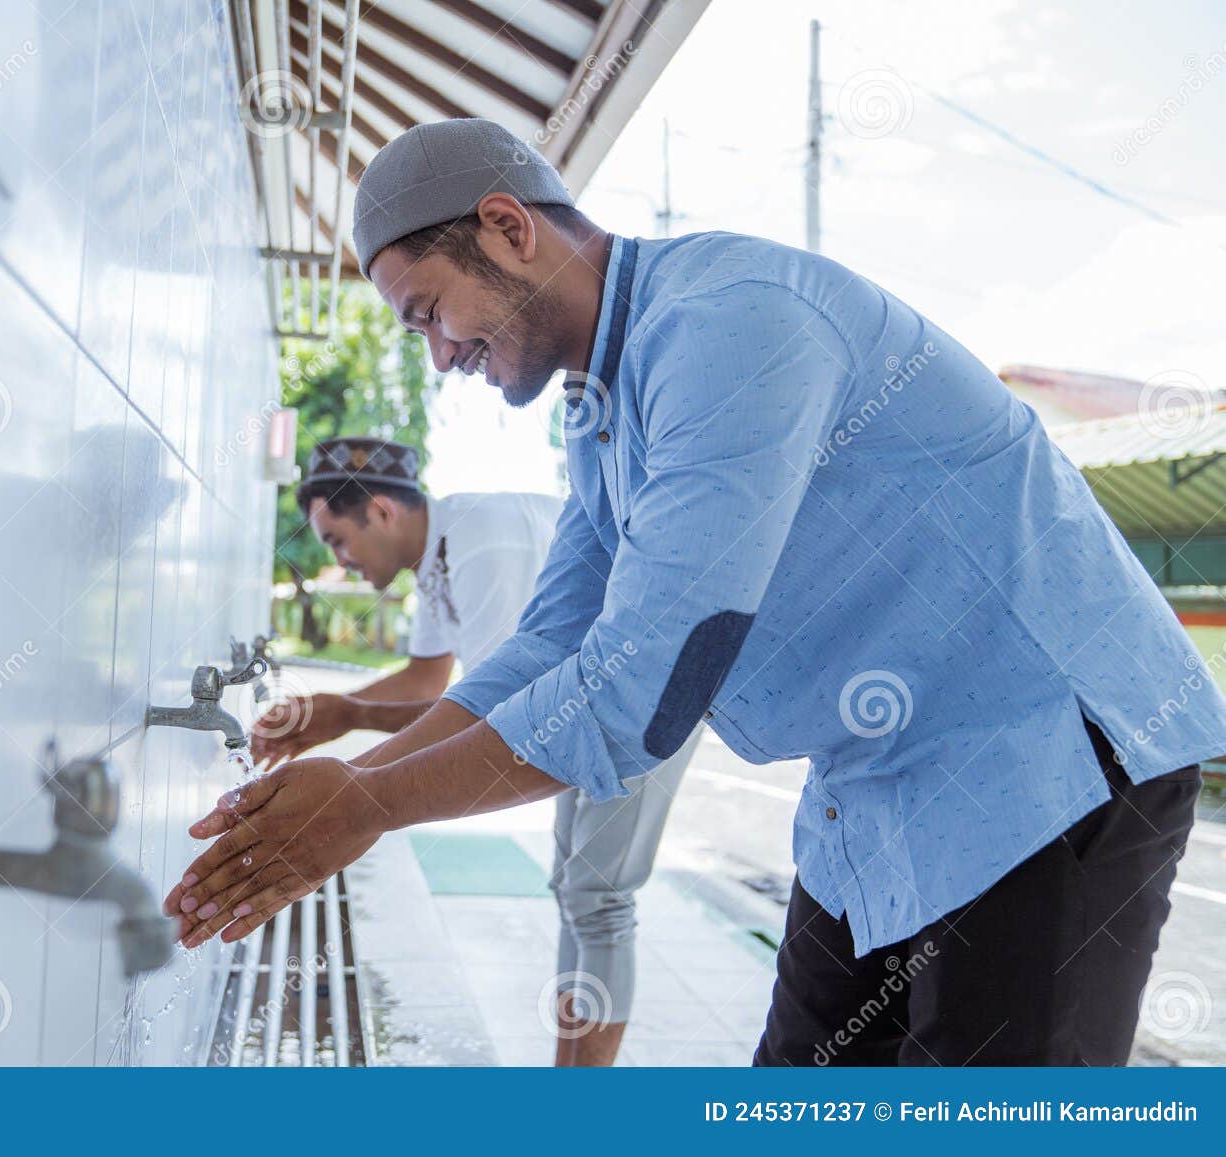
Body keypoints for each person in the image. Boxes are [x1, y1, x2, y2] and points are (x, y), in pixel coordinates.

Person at [167, 118, 1224, 1065]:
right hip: (882, 779)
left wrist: (368, 803)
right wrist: (353, 783)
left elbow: (645, 685)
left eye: (433, 313)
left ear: (505, 227)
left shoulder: (732, 322)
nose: (440, 355)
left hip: (1047, 757)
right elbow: (548, 645)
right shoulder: (597, 408)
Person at [256, 436, 699, 1065]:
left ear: (381, 511)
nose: (340, 560)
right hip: (587, 700)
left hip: (649, 686)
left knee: (597, 895)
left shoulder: (480, 536)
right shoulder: (435, 556)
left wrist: (352, 767)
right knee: (578, 889)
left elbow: (492, 712)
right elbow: (427, 683)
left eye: (337, 540)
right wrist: (337, 729)